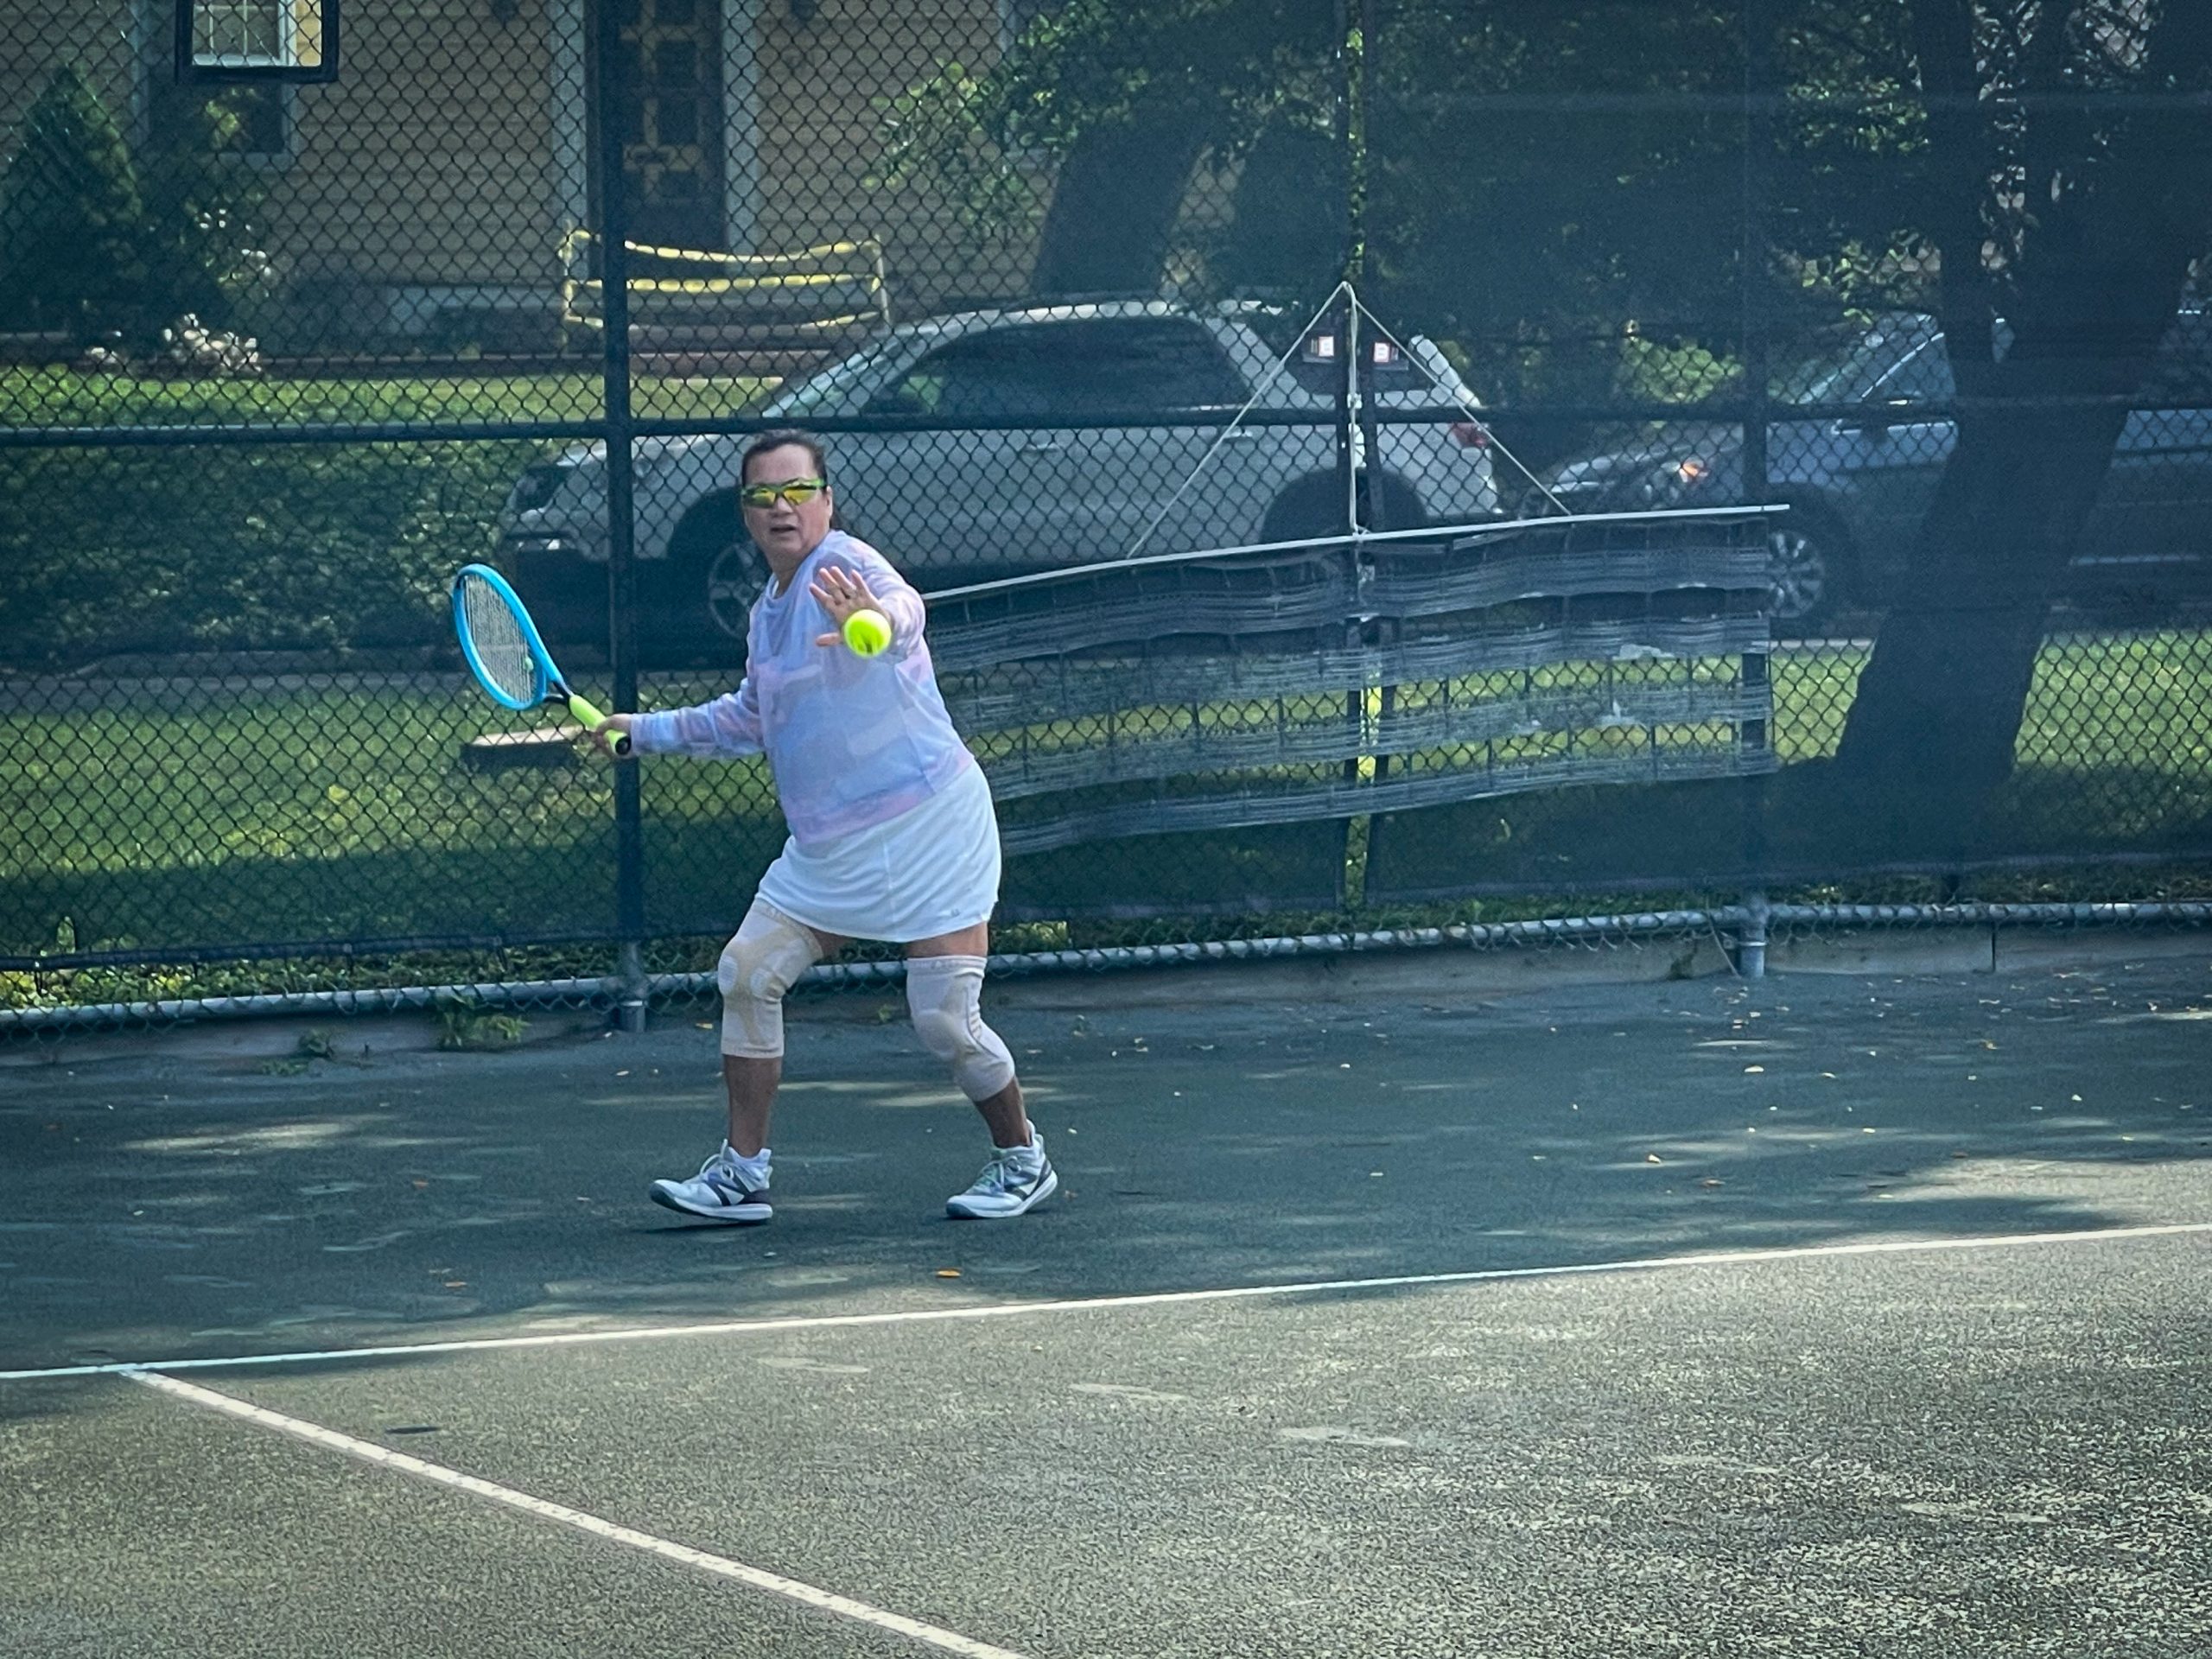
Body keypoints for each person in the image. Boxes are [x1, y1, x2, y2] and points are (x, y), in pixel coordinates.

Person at [595, 429, 1055, 1224]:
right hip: (830, 848)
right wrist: (642, 730)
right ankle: (742, 1175)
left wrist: (872, 619)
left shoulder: (848, 568)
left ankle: (1022, 1160)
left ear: (826, 501)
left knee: (944, 1020)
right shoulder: (766, 615)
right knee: (746, 974)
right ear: (745, 514)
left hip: (931, 827)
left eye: (797, 492)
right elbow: (749, 718)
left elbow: (904, 612)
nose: (782, 508)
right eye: (763, 496)